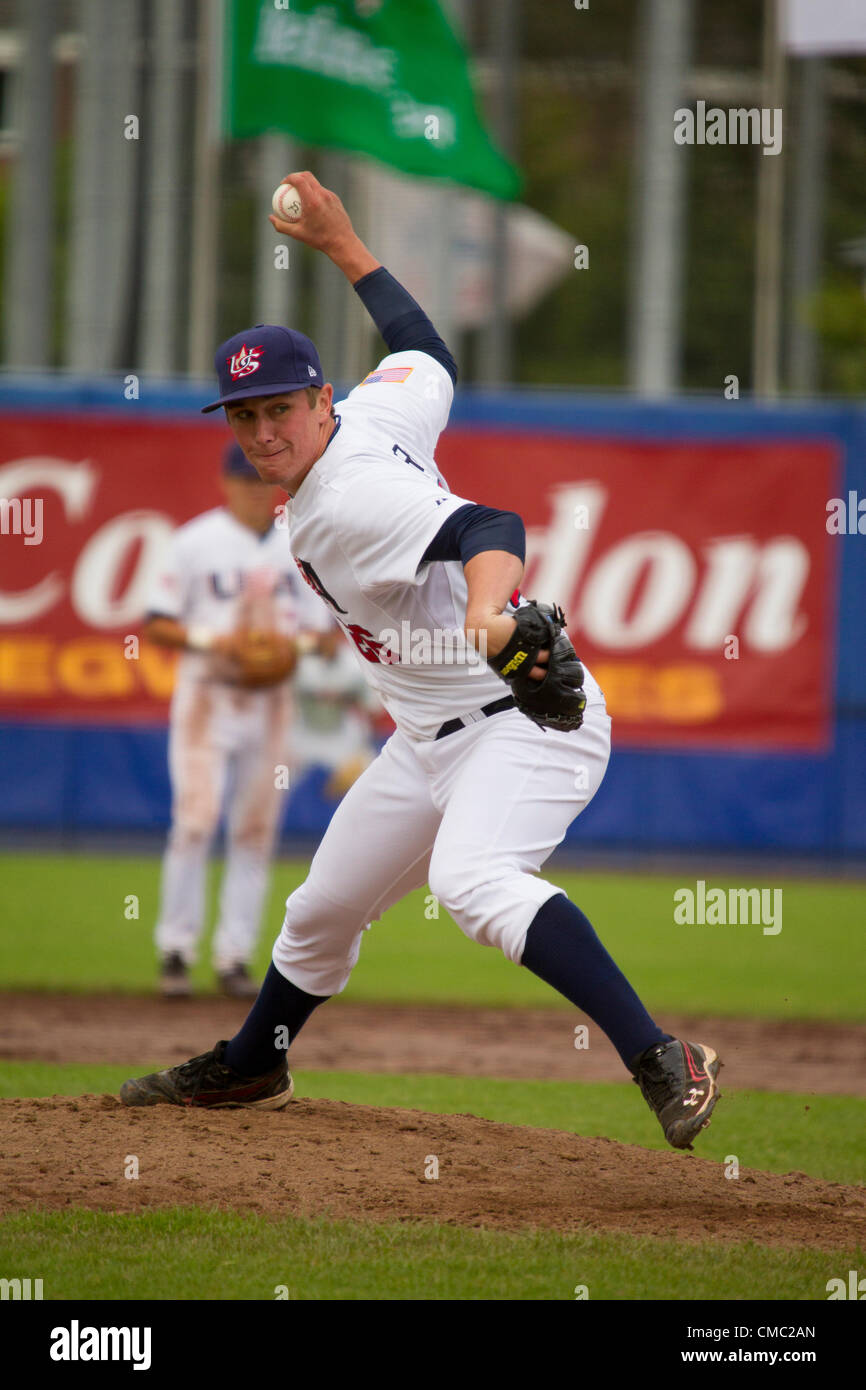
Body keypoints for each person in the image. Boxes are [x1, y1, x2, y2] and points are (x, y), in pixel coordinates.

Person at [121, 171, 721, 1150]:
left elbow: (489, 521)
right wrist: (345, 248)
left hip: (517, 723)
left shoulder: (345, 498)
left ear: (318, 400)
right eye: (243, 418)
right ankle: (253, 1060)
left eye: (280, 408)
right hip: (428, 737)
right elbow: (424, 351)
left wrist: (488, 611)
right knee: (319, 910)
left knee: (474, 881)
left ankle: (662, 1056)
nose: (265, 432)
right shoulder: (375, 408)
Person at [142, 440, 331, 998]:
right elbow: (157, 623)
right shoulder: (194, 541)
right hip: (208, 694)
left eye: (262, 482)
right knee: (196, 820)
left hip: (275, 701)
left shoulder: (300, 543)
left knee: (255, 829)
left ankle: (235, 957)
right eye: (244, 481)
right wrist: (216, 640)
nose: (255, 491)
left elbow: (325, 635)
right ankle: (175, 949)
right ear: (226, 483)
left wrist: (283, 650)